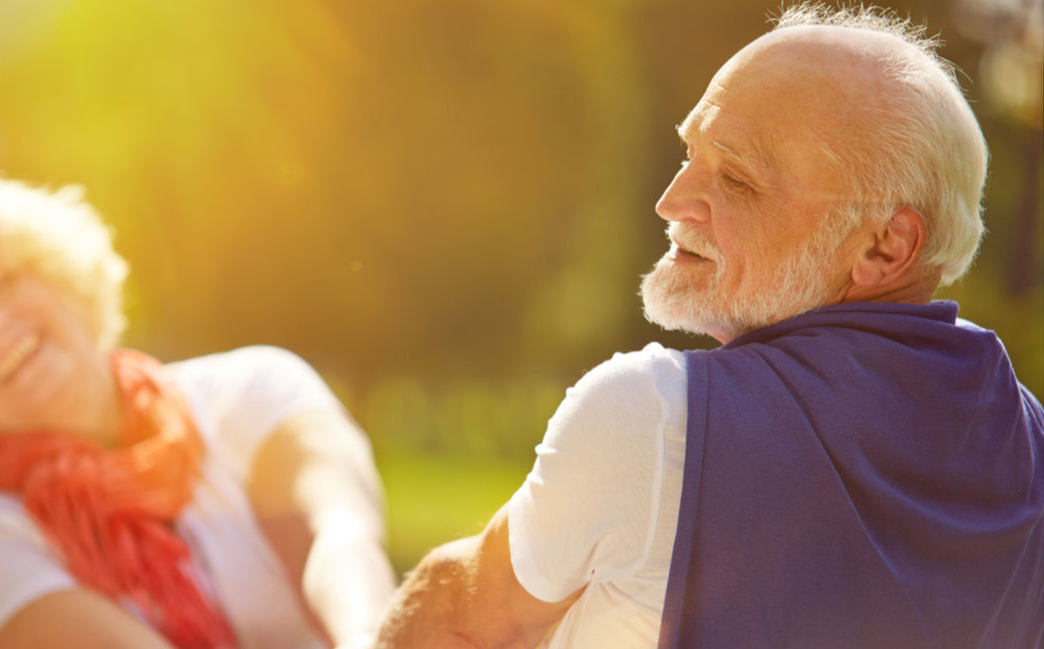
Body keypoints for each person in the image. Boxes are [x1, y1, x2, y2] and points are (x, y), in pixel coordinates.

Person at [372, 4, 1044, 649]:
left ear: (885, 247)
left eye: (738, 178)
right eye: (690, 154)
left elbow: (462, 622)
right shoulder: (1032, 447)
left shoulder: (657, 413)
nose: (673, 201)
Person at [0, 175, 397, 649]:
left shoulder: (254, 388)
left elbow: (338, 536)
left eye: (3, 283)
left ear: (62, 275)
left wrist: (367, 641)